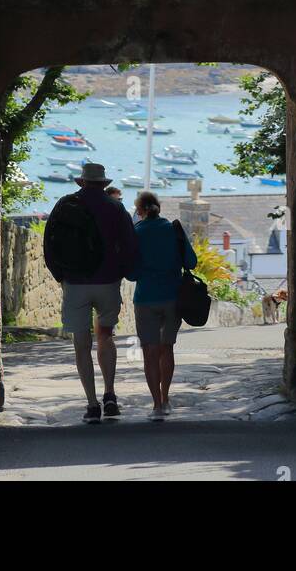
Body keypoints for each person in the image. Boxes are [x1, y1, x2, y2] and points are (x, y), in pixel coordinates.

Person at [43, 162, 138, 424]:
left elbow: (49, 242)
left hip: (74, 282)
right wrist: (125, 272)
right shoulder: (116, 208)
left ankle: (92, 404)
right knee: (106, 336)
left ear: (81, 182)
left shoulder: (65, 204)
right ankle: (110, 394)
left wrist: (60, 276)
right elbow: (130, 246)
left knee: (81, 343)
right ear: (104, 184)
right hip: (107, 281)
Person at [128, 191, 197, 421]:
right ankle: (166, 399)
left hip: (146, 298)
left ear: (140, 211)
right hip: (171, 297)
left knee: (149, 352)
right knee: (166, 348)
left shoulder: (136, 233)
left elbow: (130, 273)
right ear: (158, 207)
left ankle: (156, 405)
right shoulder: (174, 229)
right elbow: (191, 262)